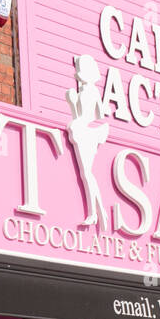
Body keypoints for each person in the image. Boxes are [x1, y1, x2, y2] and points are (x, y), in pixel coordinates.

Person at [66, 54, 111, 227]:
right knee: (87, 174)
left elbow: (90, 117)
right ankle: (99, 213)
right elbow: (81, 116)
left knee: (87, 174)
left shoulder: (91, 91)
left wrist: (73, 103)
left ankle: (95, 213)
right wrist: (72, 102)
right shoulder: (85, 91)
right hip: (82, 131)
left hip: (87, 133)